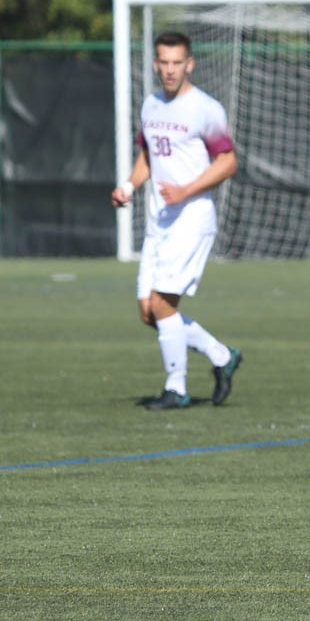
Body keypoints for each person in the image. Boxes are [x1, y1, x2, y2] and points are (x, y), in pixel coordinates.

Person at [111, 31, 243, 411]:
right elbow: (148, 157)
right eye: (163, 63)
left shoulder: (205, 108)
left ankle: (176, 388)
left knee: (163, 304)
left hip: (192, 218)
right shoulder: (151, 105)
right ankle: (221, 355)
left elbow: (228, 162)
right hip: (159, 220)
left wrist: (186, 190)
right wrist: (128, 187)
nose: (169, 70)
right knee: (148, 311)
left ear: (190, 64)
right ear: (155, 64)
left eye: (176, 63)